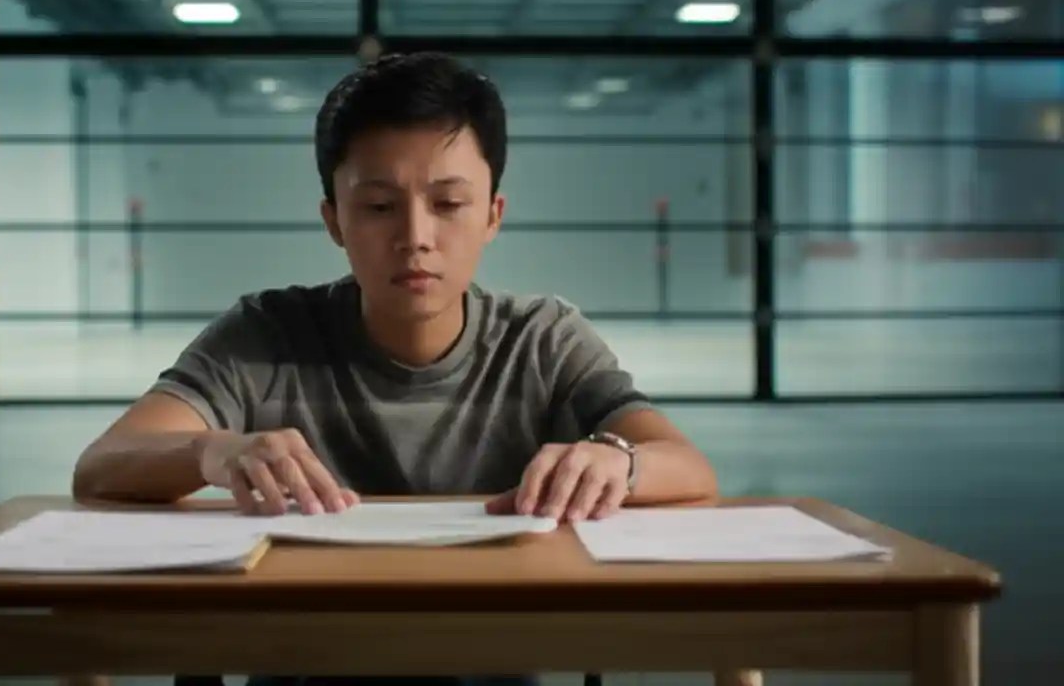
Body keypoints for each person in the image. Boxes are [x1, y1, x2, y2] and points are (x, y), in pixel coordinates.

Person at [71, 52, 719, 686]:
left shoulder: (542, 341)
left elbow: (686, 466)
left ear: (493, 214)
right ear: (334, 220)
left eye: (448, 203)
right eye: (379, 207)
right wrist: (211, 452)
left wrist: (618, 460)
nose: (415, 236)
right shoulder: (265, 335)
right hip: (306, 662)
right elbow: (102, 465)